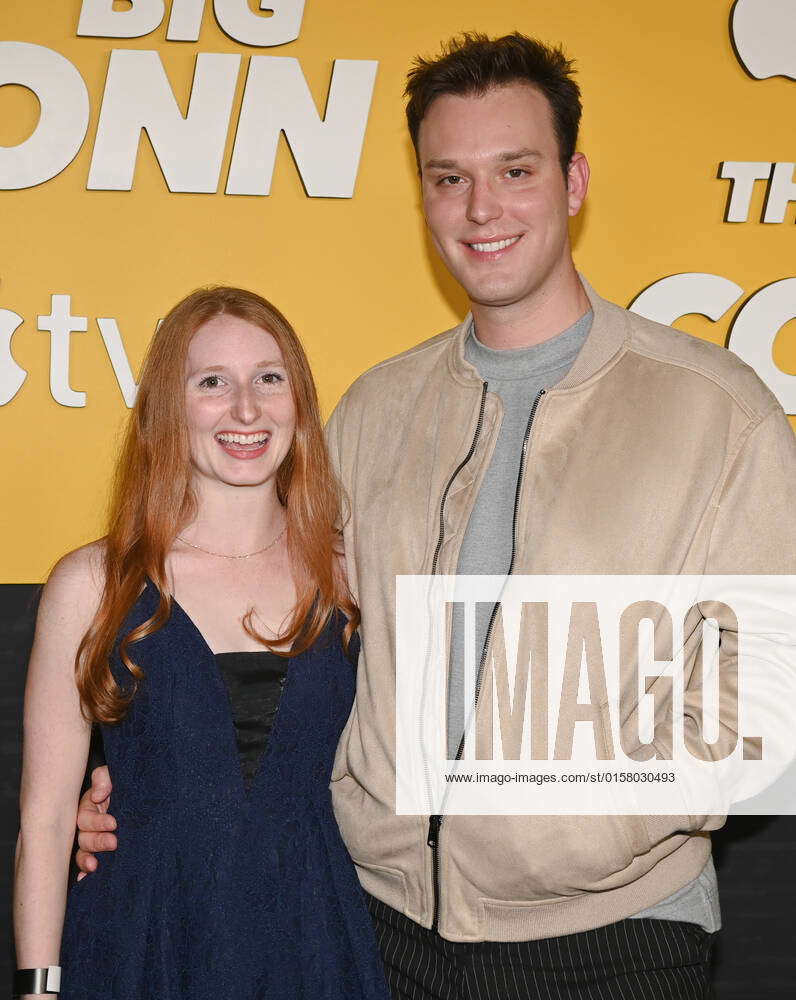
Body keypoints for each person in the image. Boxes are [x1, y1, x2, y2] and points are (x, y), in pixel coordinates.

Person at [76, 34, 796, 999]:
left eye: (515, 170)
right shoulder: (376, 409)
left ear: (574, 182)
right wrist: (154, 776)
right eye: (449, 176)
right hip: (380, 923)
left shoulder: (717, 409)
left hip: (613, 933)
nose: (481, 208)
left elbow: (764, 700)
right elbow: (293, 631)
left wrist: (585, 826)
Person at [13, 287, 391, 1000]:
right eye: (212, 382)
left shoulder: (355, 575)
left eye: (269, 379)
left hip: (314, 944)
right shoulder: (94, 585)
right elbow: (46, 818)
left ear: (299, 403)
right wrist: (38, 989)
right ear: (169, 409)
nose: (246, 409)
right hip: (139, 941)